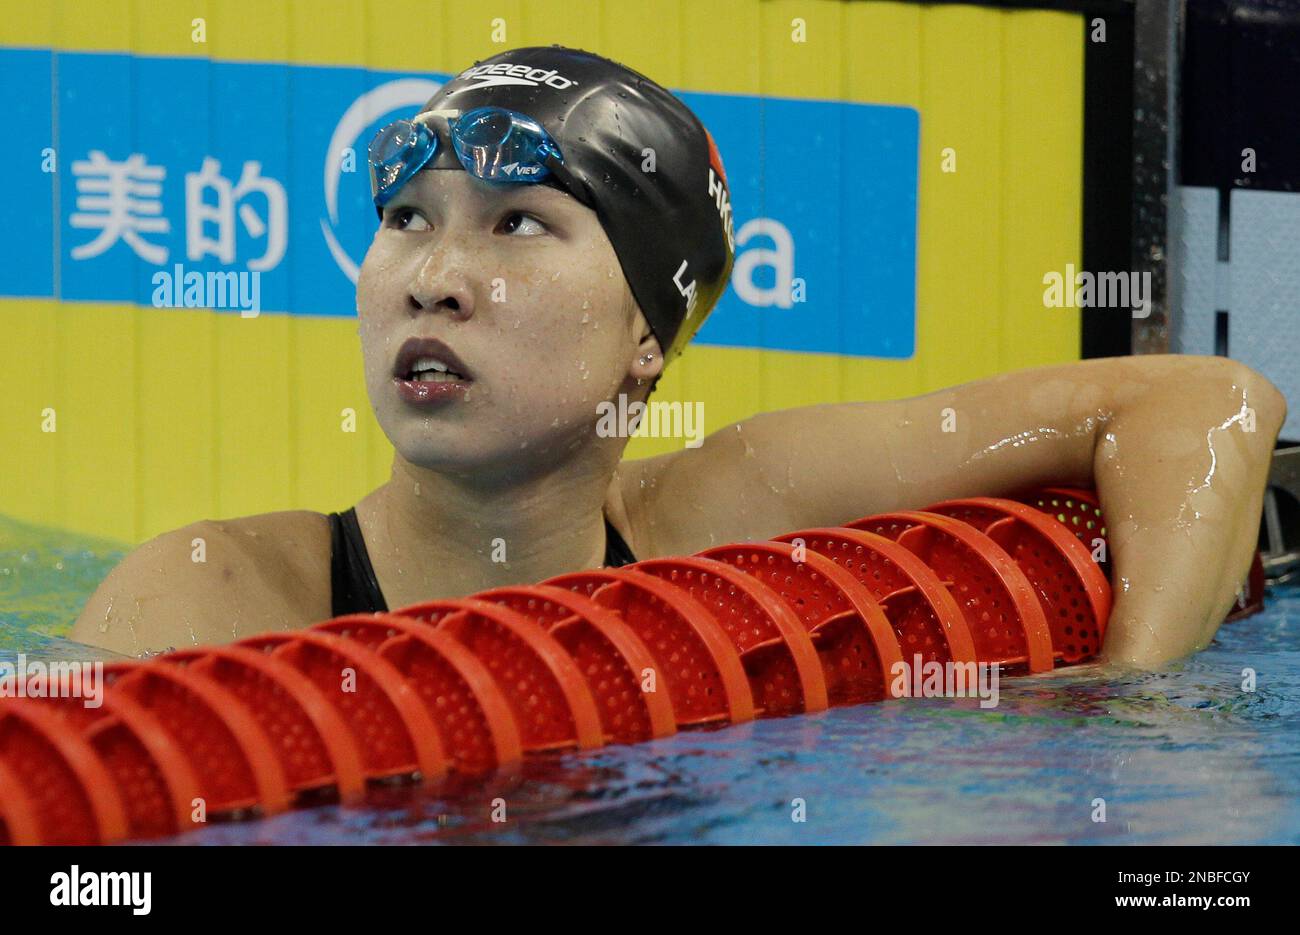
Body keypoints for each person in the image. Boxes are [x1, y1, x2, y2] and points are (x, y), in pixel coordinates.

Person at [70, 45, 1286, 668]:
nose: (433, 273)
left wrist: (1127, 710)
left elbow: (1204, 402)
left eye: (518, 224)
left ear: (647, 337)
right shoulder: (209, 600)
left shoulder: (725, 512)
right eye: (406, 219)